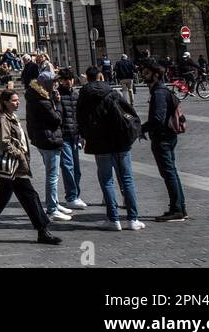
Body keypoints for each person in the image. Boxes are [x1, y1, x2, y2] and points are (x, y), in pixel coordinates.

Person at [0, 90, 61, 245]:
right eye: (14, 100)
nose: (17, 102)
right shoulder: (4, 119)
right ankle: (42, 230)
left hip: (12, 165)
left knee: (2, 194)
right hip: (14, 165)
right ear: (5, 102)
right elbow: (4, 142)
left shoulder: (13, 117)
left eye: (18, 100)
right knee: (30, 196)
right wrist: (18, 154)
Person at [76, 67, 145, 231]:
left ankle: (113, 220)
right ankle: (133, 219)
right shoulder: (111, 91)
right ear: (100, 76)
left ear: (87, 78)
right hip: (121, 140)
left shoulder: (84, 94)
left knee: (107, 180)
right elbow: (127, 110)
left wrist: (84, 136)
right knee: (127, 179)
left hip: (100, 142)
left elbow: (80, 118)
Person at [141, 61, 187, 221]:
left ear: (155, 75)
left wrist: (142, 128)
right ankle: (180, 207)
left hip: (163, 138)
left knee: (169, 173)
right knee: (171, 172)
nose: (143, 76)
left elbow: (158, 118)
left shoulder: (159, 93)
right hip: (167, 137)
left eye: (146, 73)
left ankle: (177, 210)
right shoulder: (161, 90)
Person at [26, 70, 71, 221]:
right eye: (54, 82)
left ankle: (55, 203)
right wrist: (57, 103)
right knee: (52, 176)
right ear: (46, 84)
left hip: (42, 139)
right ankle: (52, 208)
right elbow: (56, 119)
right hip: (49, 140)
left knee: (52, 173)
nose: (56, 85)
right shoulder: (43, 101)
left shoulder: (36, 96)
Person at [55, 69, 87, 210]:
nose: (69, 82)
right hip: (64, 136)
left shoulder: (75, 95)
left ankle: (75, 195)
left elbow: (79, 116)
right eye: (66, 79)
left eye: (71, 79)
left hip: (75, 135)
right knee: (68, 166)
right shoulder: (57, 95)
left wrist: (81, 136)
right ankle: (71, 197)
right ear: (60, 80)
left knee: (76, 169)